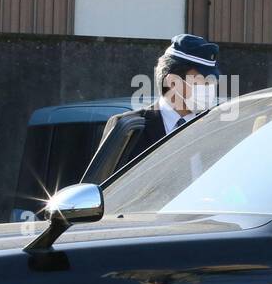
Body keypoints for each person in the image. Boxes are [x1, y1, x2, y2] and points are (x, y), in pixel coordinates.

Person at [82, 34, 220, 184]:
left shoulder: (213, 129)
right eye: (202, 82)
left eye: (211, 83)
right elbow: (104, 191)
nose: (209, 89)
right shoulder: (129, 129)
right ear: (173, 83)